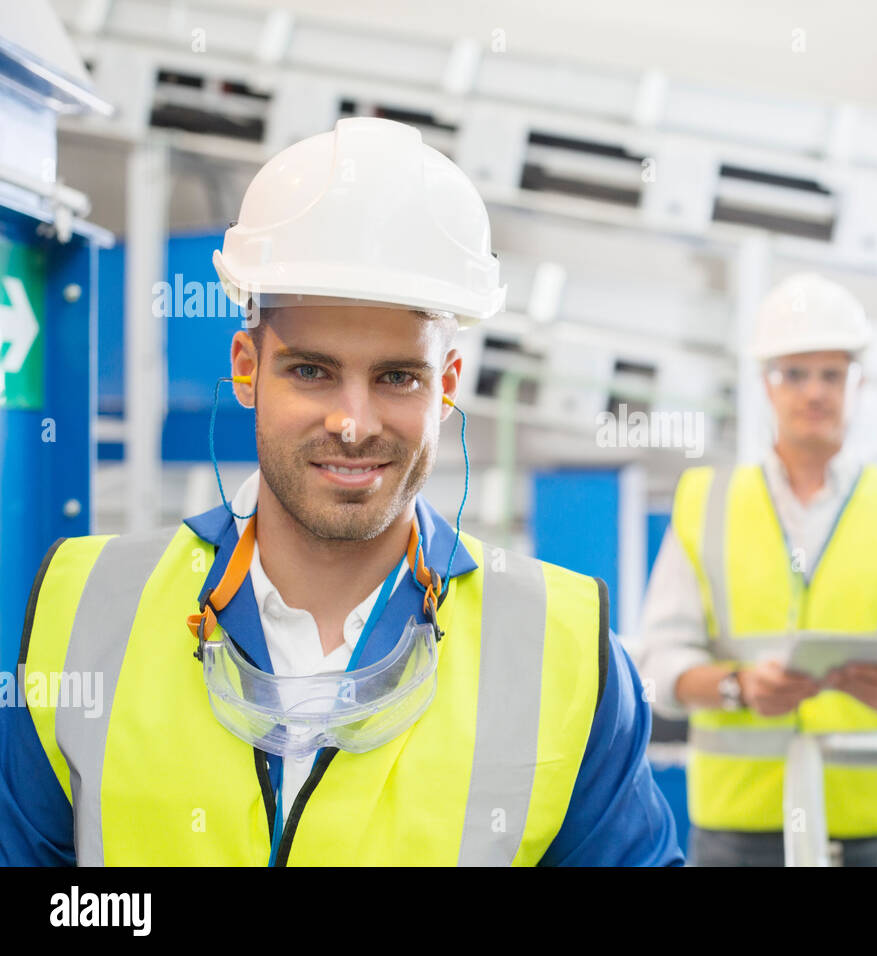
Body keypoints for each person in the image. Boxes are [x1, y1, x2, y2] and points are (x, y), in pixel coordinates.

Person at [0, 117, 682, 866]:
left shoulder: (566, 650)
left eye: (397, 377)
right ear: (246, 367)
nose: (354, 425)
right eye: (312, 371)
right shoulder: (85, 607)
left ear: (446, 385)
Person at [637, 272, 877, 866]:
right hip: (738, 825)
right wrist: (738, 686)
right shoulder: (705, 501)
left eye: (831, 374)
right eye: (794, 373)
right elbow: (658, 669)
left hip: (872, 823)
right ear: (767, 385)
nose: (814, 392)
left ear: (856, 382)